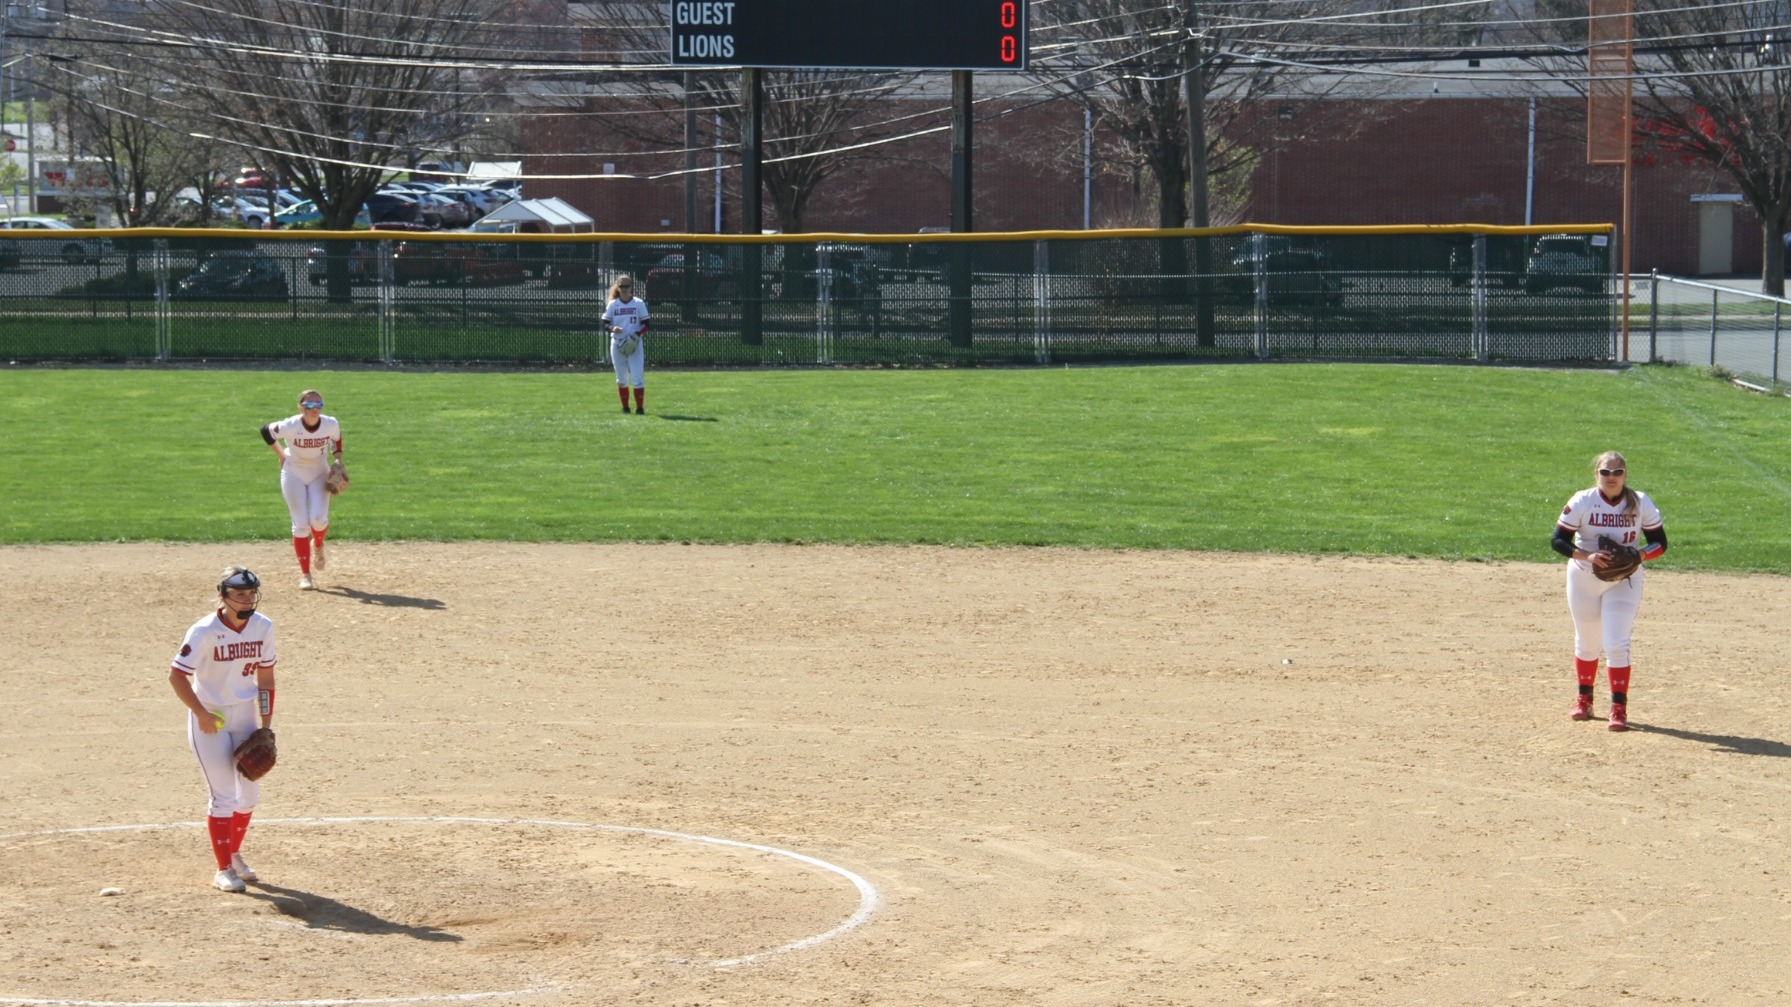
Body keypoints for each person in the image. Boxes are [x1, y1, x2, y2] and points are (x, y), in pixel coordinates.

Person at [168, 566, 278, 892]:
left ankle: (233, 852)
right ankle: (223, 870)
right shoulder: (203, 631)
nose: (247, 600)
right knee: (224, 796)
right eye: (239, 594)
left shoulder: (263, 627)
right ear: (223, 596)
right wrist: (200, 713)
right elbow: (176, 676)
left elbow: (266, 679)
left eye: (250, 594)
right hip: (210, 721)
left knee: (249, 795)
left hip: (244, 717)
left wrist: (266, 725)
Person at [1551, 451, 1668, 731]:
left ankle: (1618, 707)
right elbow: (1557, 540)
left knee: (1616, 642)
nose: (1611, 478)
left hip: (1624, 581)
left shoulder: (1640, 502)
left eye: (1617, 472)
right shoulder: (1583, 500)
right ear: (1597, 475)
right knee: (1588, 641)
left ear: (1625, 475)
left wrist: (1639, 556)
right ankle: (1584, 699)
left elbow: (1660, 542)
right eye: (1605, 472)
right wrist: (1586, 556)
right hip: (1584, 579)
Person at [260, 389, 343, 590]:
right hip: (293, 473)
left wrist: (338, 461)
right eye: (309, 405)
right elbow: (265, 430)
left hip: (319, 473)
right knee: (300, 524)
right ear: (301, 407)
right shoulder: (290, 425)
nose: (314, 409)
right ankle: (306, 574)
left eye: (318, 405)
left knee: (318, 519)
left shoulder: (330, 423)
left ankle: (319, 544)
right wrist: (281, 454)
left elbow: (336, 440)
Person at [602, 275, 650, 414]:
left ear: (631, 287)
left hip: (634, 344)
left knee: (637, 377)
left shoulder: (638, 303)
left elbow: (646, 324)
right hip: (617, 344)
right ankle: (625, 408)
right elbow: (605, 322)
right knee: (621, 379)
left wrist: (637, 335)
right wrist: (612, 328)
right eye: (621, 286)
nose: (623, 289)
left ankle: (640, 408)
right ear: (617, 287)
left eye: (626, 286)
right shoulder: (613, 304)